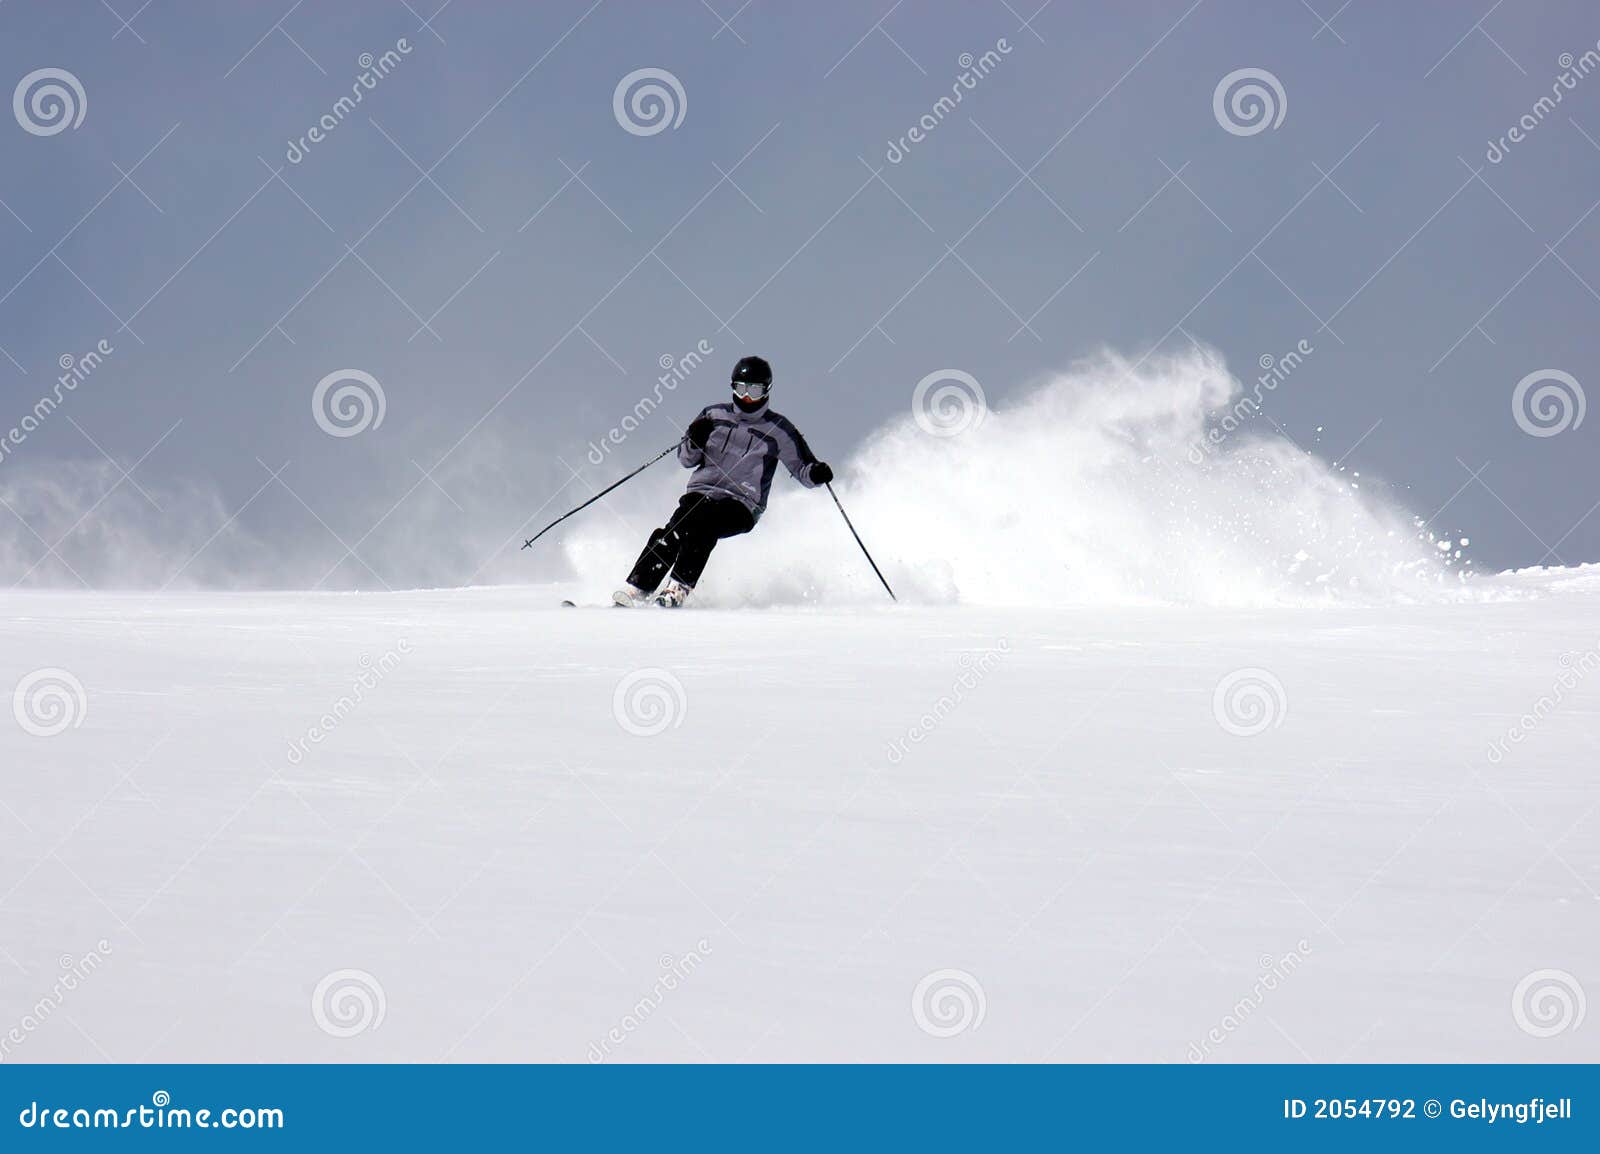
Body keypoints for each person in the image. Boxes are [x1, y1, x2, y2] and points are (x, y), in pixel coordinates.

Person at [615, 355, 832, 608]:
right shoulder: (712, 415)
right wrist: (694, 440)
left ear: (767, 391)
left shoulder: (779, 430)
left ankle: (678, 589)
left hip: (742, 503)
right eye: (741, 389)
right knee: (673, 530)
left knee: (701, 526)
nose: (747, 397)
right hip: (702, 492)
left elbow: (803, 467)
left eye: (755, 390)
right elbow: (686, 459)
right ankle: (638, 589)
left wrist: (816, 473)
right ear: (733, 387)